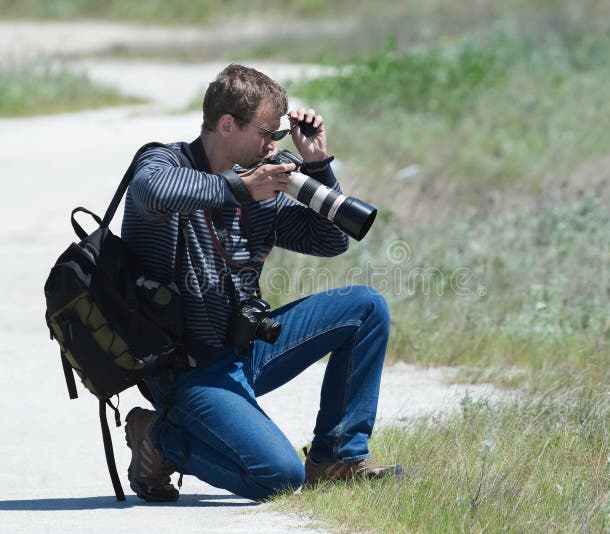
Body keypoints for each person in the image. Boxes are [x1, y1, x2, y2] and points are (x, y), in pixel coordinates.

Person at [120, 63, 403, 502]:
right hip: (187, 372)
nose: (272, 146)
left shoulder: (259, 191)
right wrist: (240, 187)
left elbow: (330, 240)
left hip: (247, 350)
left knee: (365, 307)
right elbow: (153, 190)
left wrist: (318, 164)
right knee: (280, 476)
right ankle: (158, 437)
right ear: (227, 124)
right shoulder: (165, 162)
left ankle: (337, 457)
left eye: (279, 135)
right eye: (267, 133)